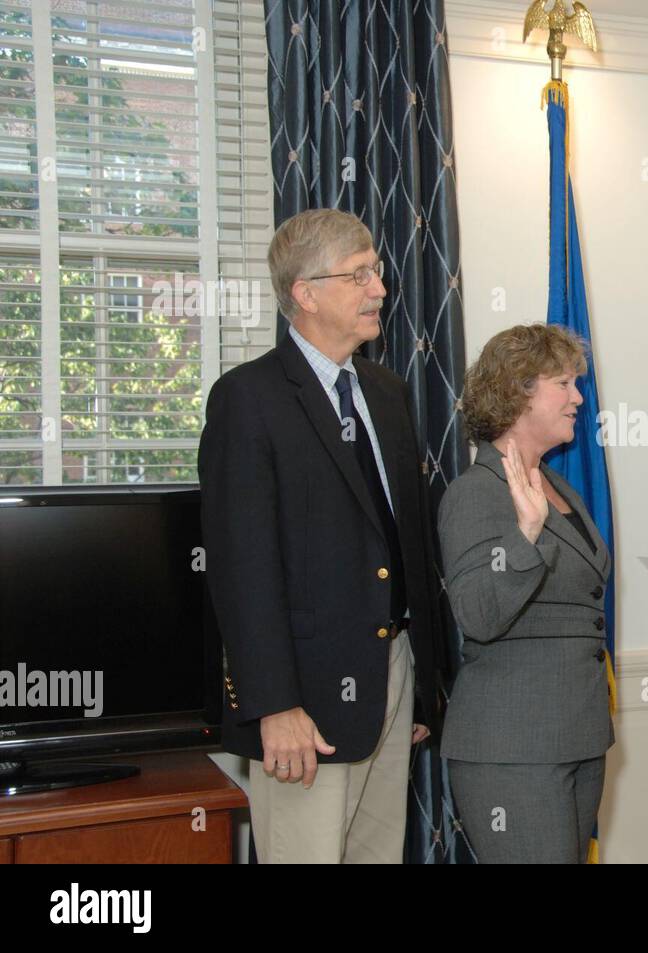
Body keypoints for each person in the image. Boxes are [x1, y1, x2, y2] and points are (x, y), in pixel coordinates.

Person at [198, 208, 444, 863]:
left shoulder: (387, 393)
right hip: (303, 702)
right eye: (359, 275)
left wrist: (421, 682)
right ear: (304, 294)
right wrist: (273, 704)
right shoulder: (247, 398)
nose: (381, 289)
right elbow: (241, 566)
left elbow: (406, 545)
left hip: (392, 677)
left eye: (379, 271)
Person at [438, 323, 613, 864]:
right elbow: (478, 615)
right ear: (520, 390)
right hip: (513, 749)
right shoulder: (476, 494)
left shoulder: (556, 486)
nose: (578, 397)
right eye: (564, 383)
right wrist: (526, 537)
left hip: (578, 736)